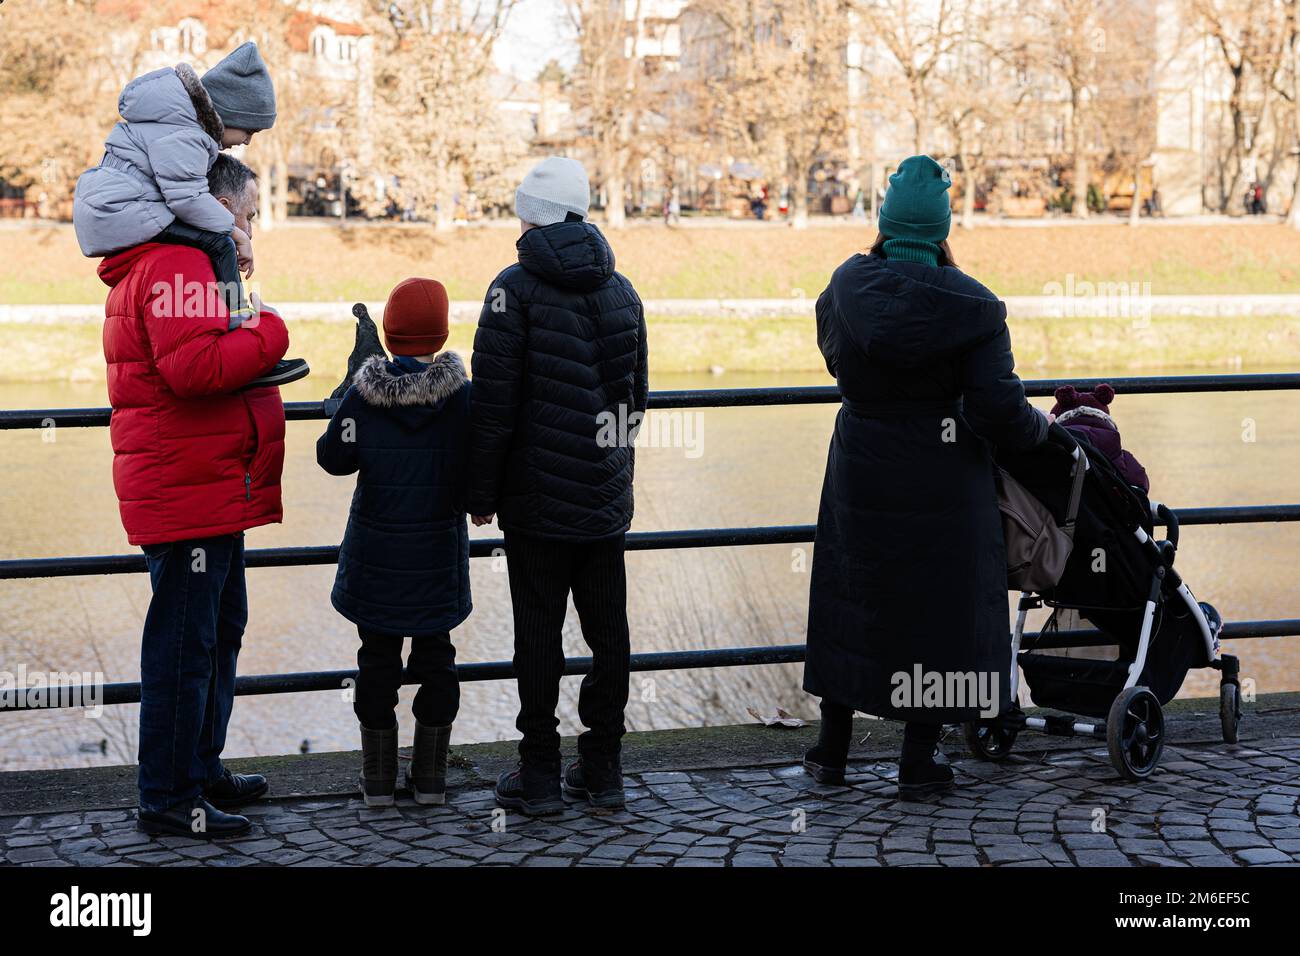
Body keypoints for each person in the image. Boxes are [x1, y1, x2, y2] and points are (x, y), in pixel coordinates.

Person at [802, 155, 1049, 799]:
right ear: (942, 228)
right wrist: (1044, 437)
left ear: (884, 223)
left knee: (851, 599)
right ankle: (918, 760)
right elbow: (999, 408)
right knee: (936, 608)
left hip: (861, 462)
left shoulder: (843, 289)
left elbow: (834, 358)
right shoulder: (973, 307)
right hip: (943, 474)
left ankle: (830, 752)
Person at [99, 154, 289, 838]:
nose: (253, 228)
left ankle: (200, 770)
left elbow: (215, 344)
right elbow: (198, 368)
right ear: (215, 207)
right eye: (249, 214)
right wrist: (273, 327)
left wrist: (237, 285)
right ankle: (169, 797)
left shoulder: (192, 266)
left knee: (217, 634)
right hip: (186, 489)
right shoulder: (174, 268)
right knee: (185, 646)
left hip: (206, 482)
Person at [469, 156, 649, 815]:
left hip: (535, 504)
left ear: (530, 215)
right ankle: (603, 769)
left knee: (537, 635)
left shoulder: (510, 290)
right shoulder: (622, 291)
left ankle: (539, 775)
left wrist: (481, 495)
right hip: (603, 501)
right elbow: (635, 404)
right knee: (610, 633)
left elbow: (493, 408)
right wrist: (609, 471)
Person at [317, 279, 472, 808]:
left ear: (386, 330)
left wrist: (342, 401)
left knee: (376, 663)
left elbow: (333, 458)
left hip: (377, 557)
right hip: (436, 559)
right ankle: (430, 781)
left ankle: (378, 782)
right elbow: (481, 466)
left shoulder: (366, 394)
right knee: (438, 661)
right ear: (444, 333)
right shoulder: (463, 396)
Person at [74, 41, 307, 388]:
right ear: (231, 114)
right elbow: (186, 198)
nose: (246, 142)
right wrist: (236, 233)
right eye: (249, 130)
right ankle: (239, 323)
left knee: (216, 240)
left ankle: (236, 323)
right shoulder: (188, 134)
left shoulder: (177, 124)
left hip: (116, 210)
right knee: (219, 244)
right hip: (119, 212)